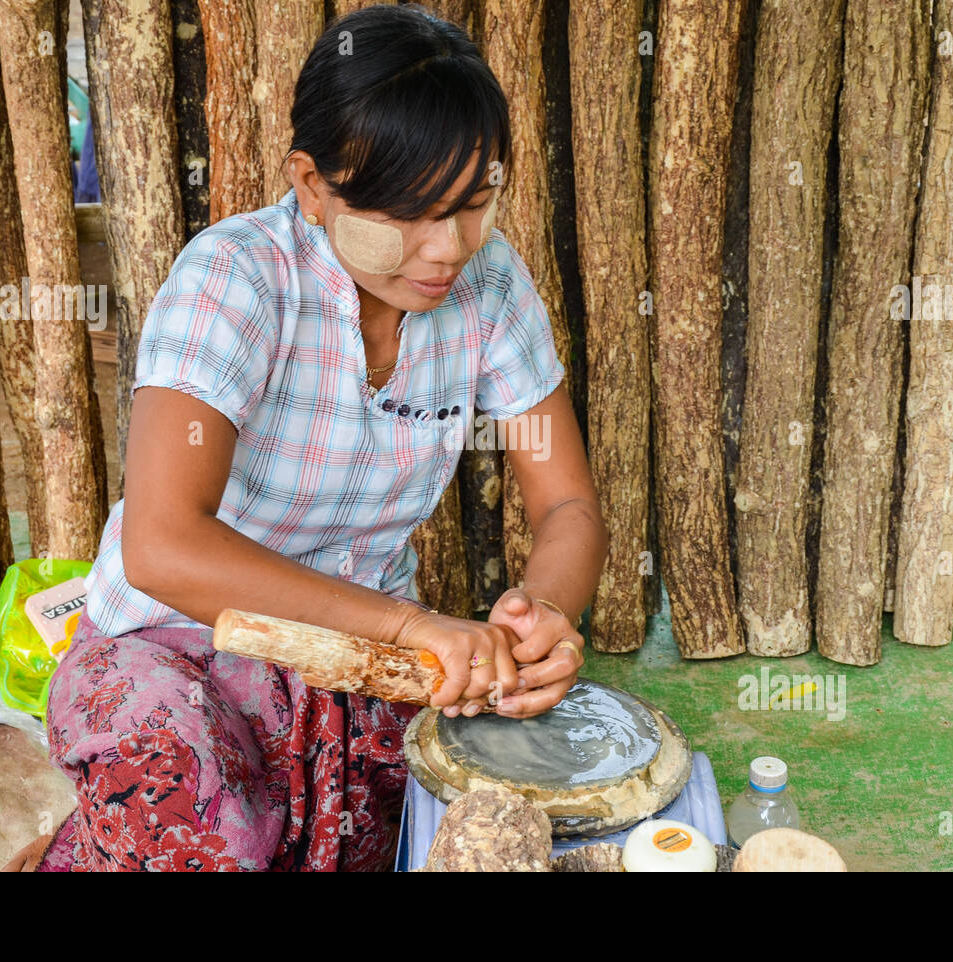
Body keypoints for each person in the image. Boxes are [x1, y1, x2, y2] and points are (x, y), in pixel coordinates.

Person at [34, 2, 607, 872]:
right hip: (173, 642)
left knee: (427, 830)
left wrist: (547, 619)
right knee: (217, 838)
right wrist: (415, 623)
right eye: (406, 213)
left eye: (474, 203)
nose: (446, 248)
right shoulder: (236, 278)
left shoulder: (490, 284)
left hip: (363, 662)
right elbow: (161, 546)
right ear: (311, 184)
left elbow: (564, 500)